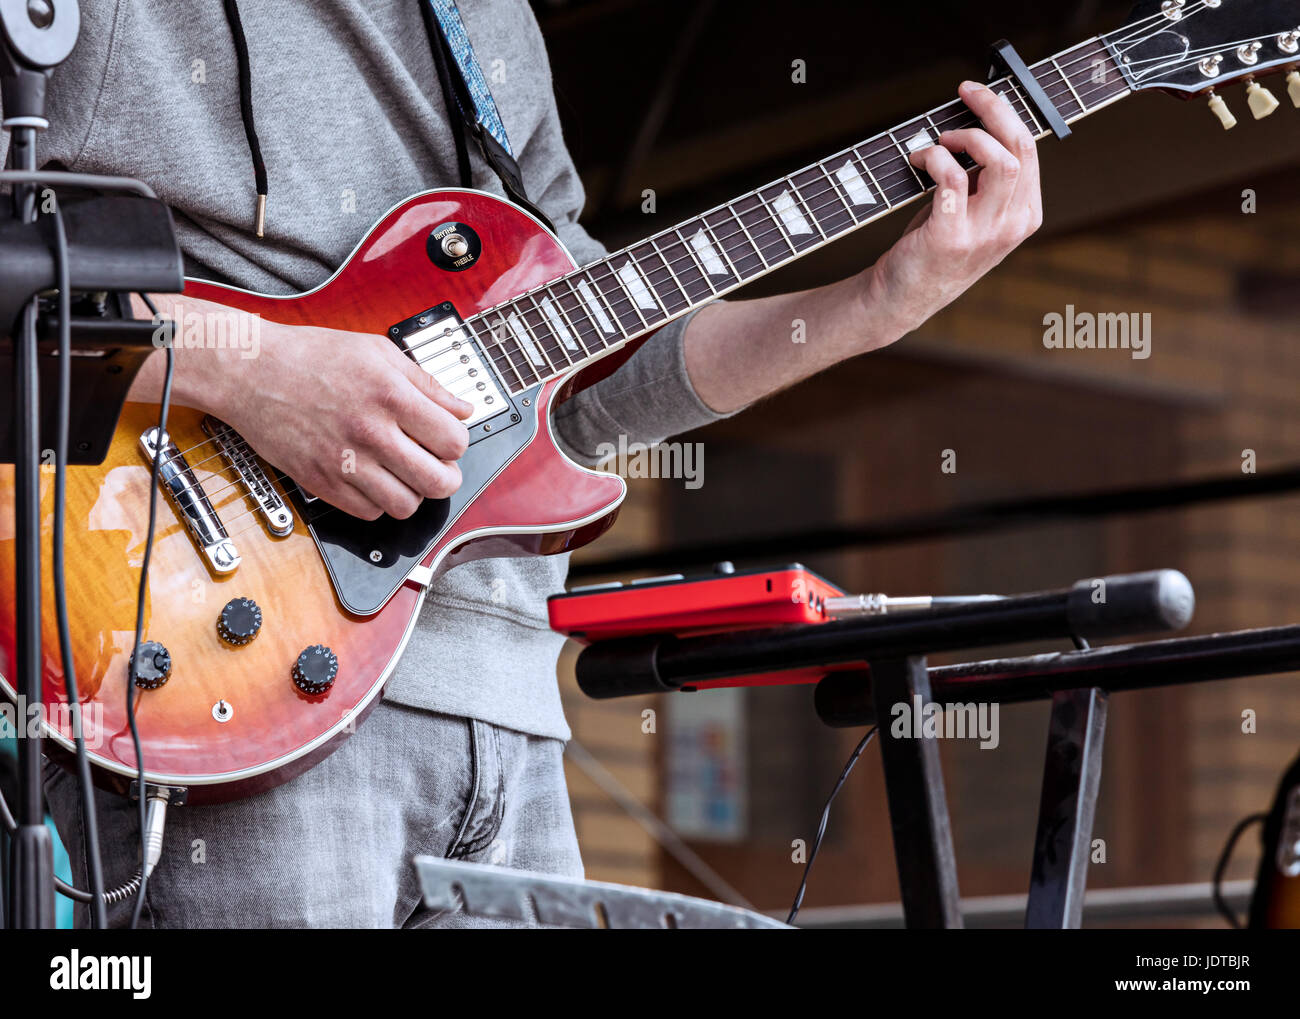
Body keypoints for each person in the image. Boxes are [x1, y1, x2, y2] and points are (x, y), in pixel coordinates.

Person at [14, 0, 1041, 927]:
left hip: (508, 711)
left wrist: (875, 303)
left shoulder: (485, 20)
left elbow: (594, 383)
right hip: (216, 665)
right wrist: (257, 370)